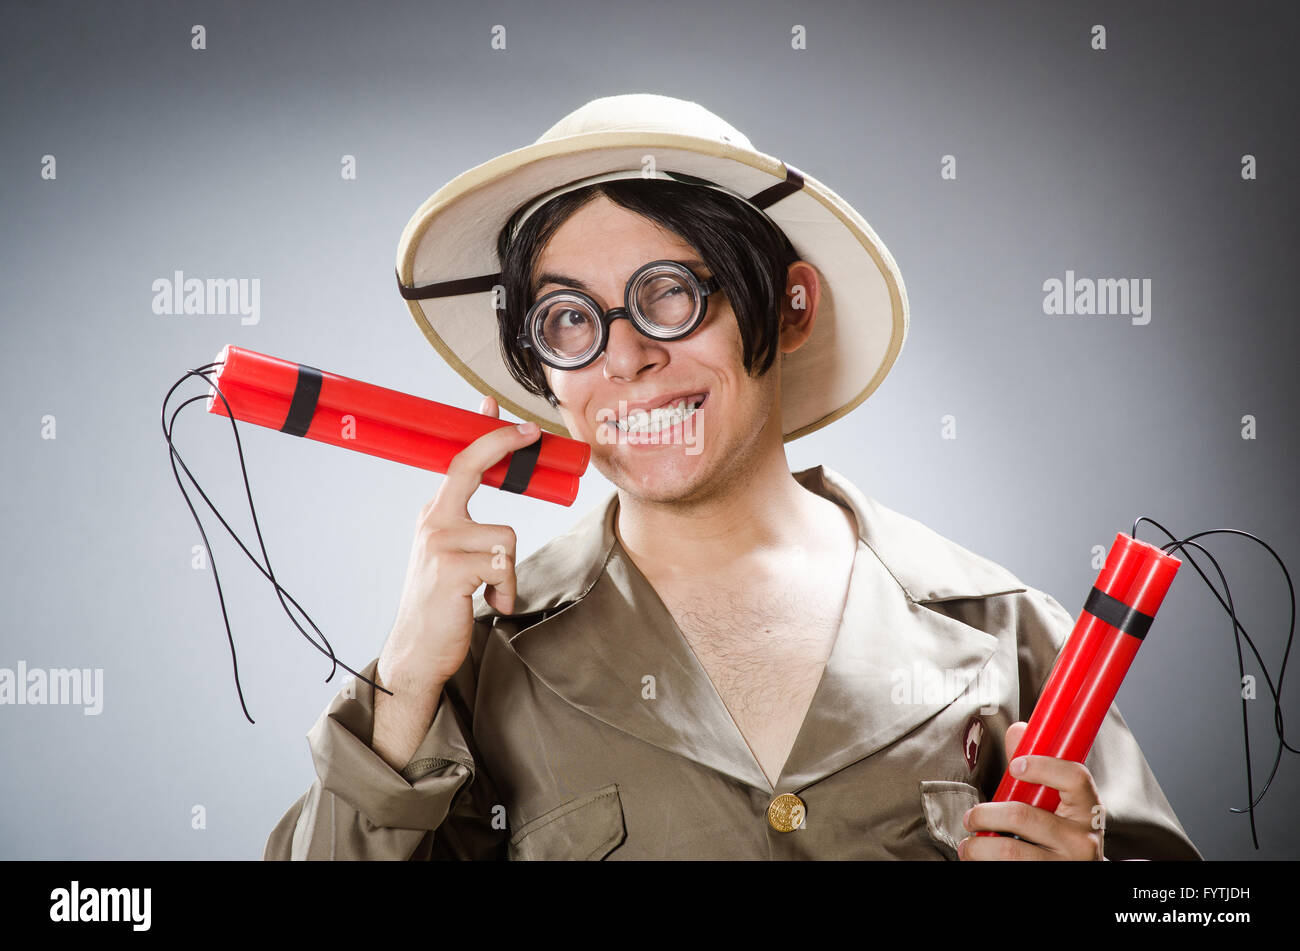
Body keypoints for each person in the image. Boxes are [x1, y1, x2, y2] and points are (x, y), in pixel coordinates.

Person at [264, 93, 1201, 860]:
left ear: (788, 308)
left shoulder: (1005, 631)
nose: (622, 358)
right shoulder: (470, 665)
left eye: (669, 294)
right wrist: (402, 689)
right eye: (567, 320)